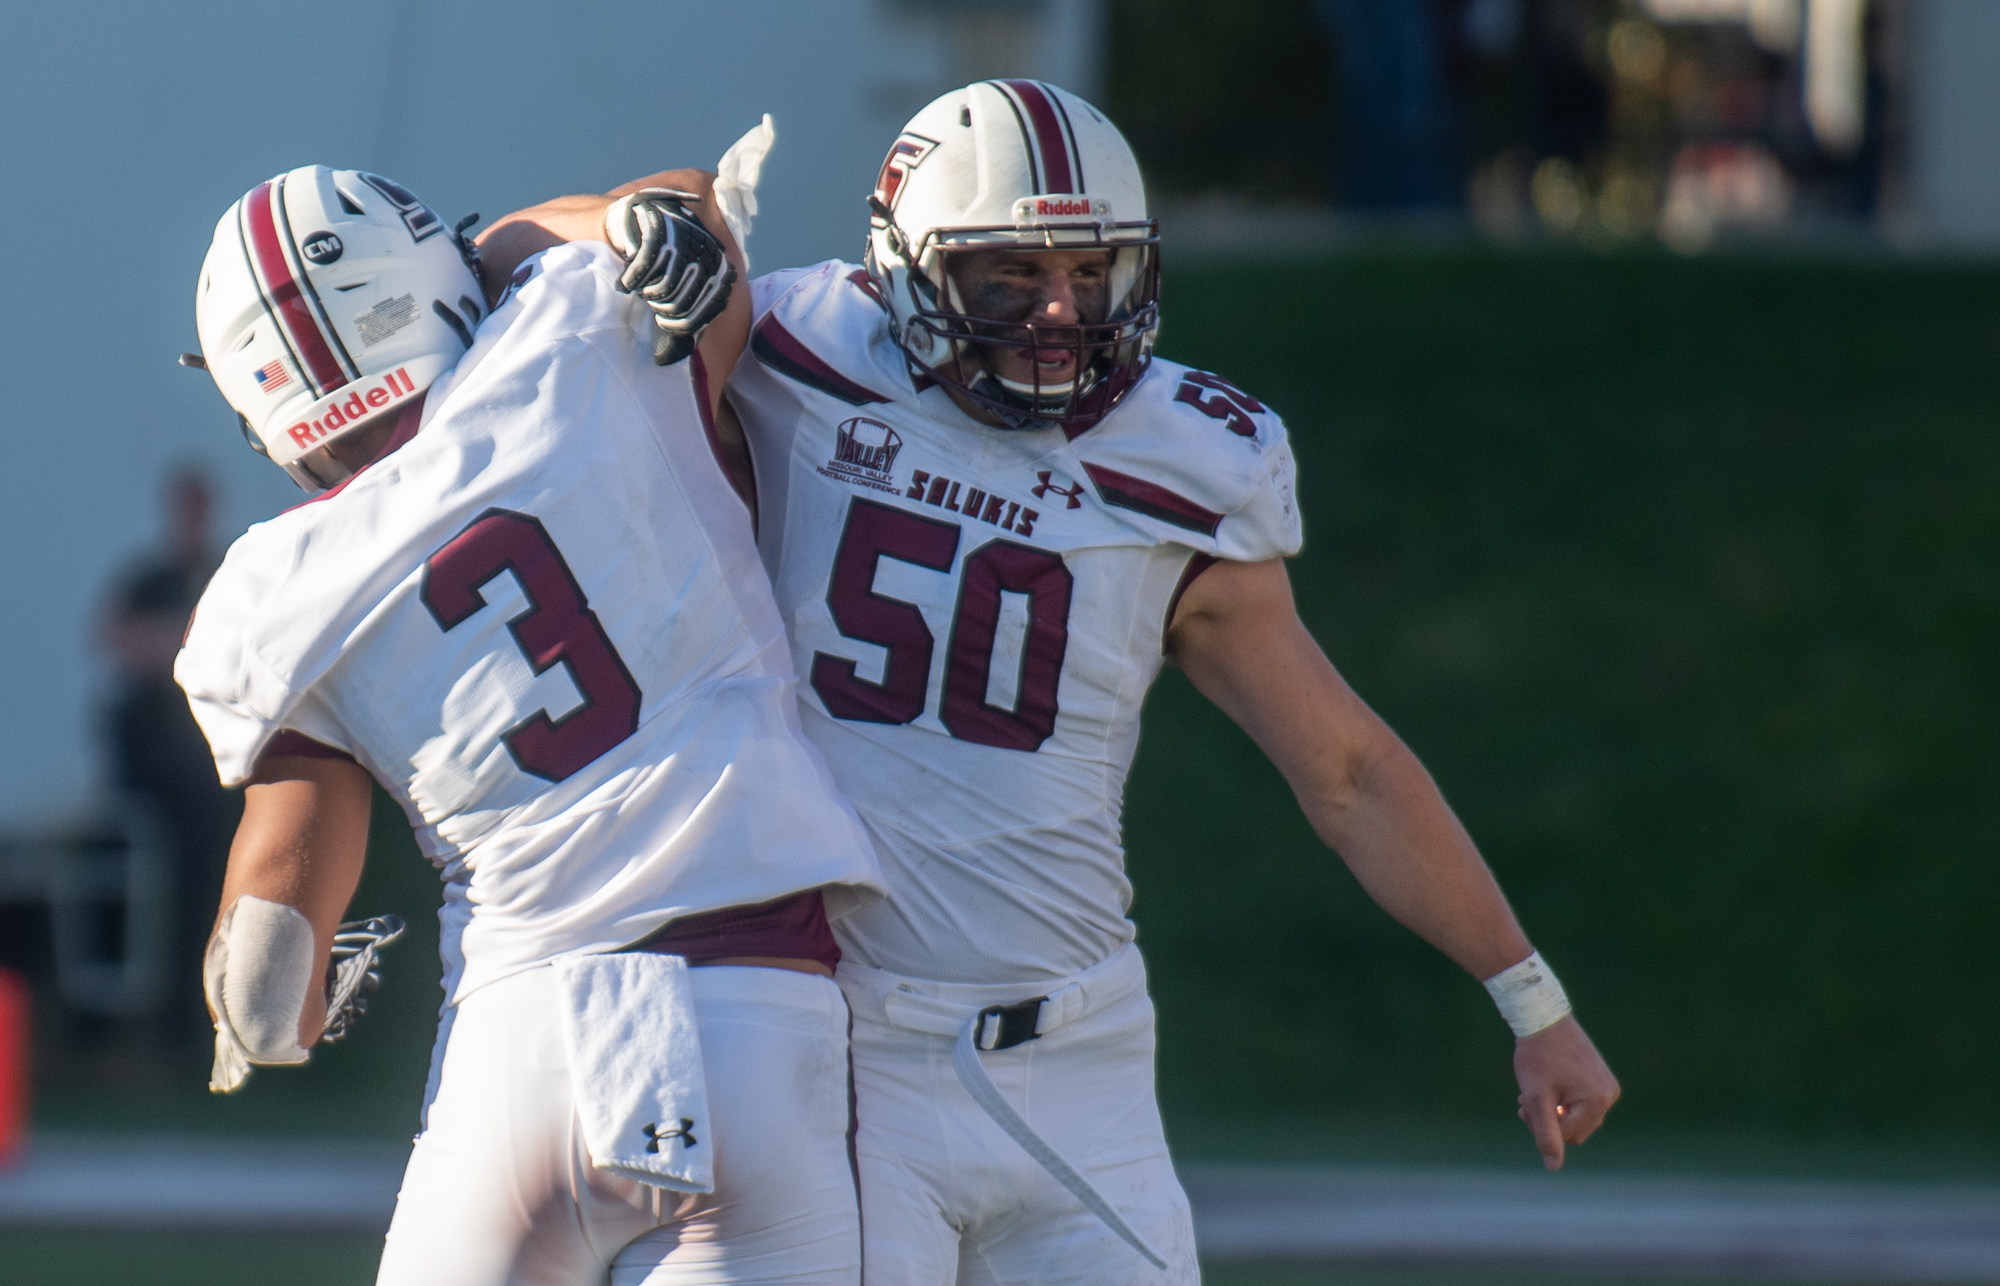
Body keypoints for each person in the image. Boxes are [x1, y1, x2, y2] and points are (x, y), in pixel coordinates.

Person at [525, 80, 1621, 1286]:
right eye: (1007, 276)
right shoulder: (788, 347)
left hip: (1084, 1049)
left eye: (1090, 272)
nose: (1057, 313)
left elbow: (1345, 768)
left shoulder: (1190, 456)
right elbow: (514, 252)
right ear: (900, 266)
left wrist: (1530, 998)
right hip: (841, 1045)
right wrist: (628, 223)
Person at [175, 160, 881, 1286]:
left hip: (521, 1043)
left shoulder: (269, 594)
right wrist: (538, 233)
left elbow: (270, 974)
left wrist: (277, 1022)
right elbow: (680, 206)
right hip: (757, 1014)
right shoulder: (571, 337)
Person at [96, 466, 232, 1050]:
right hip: (152, 775)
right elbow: (114, 640)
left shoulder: (228, 571)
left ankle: (193, 1029)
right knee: (137, 892)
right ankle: (124, 1031)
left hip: (211, 774)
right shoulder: (150, 578)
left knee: (204, 898)